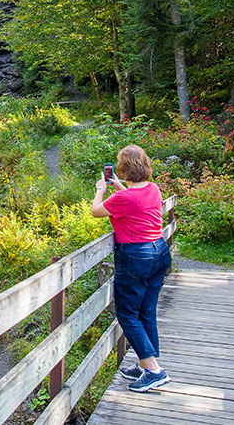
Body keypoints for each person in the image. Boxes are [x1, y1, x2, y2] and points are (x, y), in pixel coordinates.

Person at [91, 144, 172, 393]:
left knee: (127, 314)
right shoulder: (153, 189)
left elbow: (96, 211)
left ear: (124, 168)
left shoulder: (122, 199)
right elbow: (135, 201)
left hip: (136, 257)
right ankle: (145, 364)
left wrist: (100, 189)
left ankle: (155, 371)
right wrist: (118, 186)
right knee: (146, 310)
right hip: (159, 251)